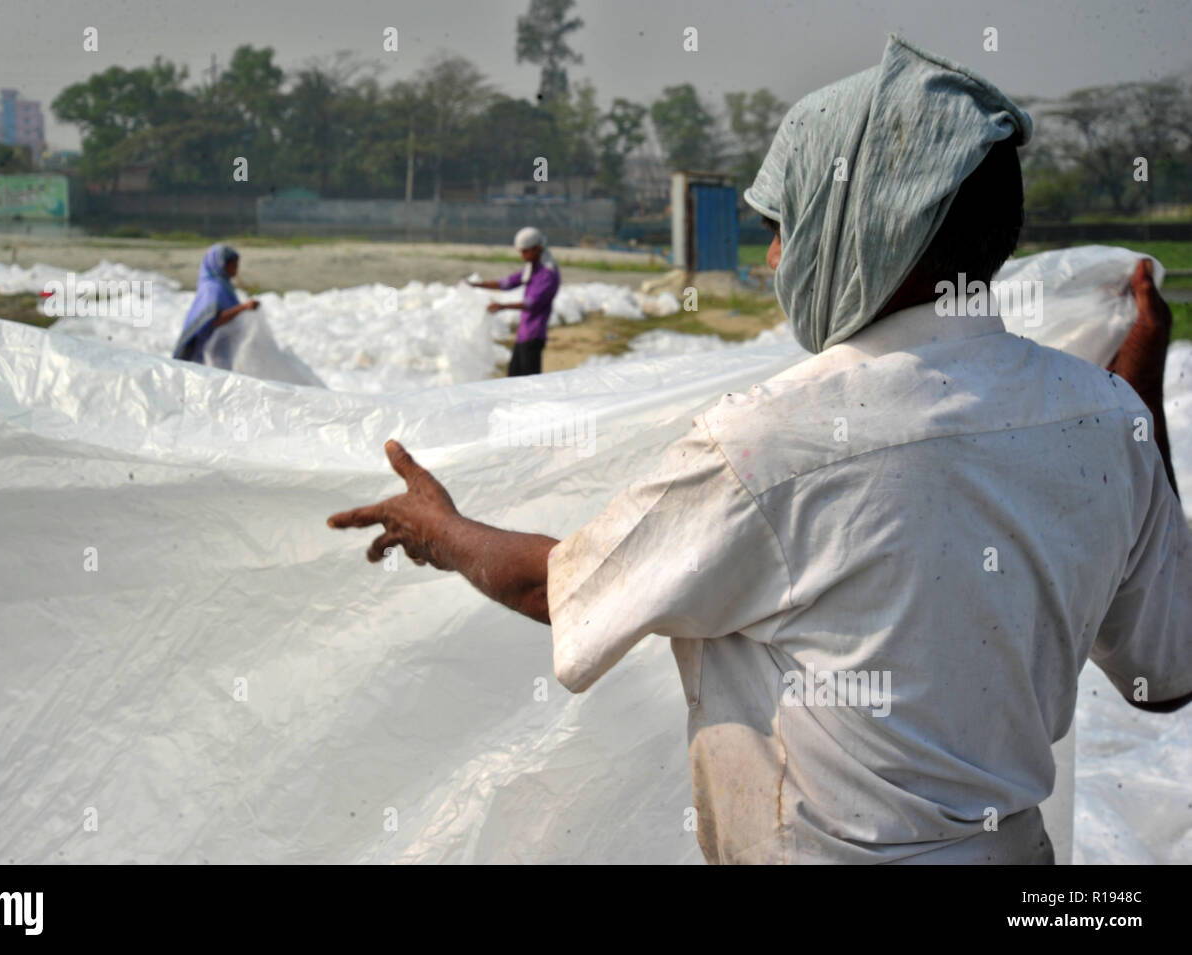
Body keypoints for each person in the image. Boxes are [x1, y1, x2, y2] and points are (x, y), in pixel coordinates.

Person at [328, 35, 1191, 864]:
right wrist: (1138, 389)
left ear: (870, 224)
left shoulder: (772, 439)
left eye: (791, 222)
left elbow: (564, 588)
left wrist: (442, 530)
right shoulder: (1108, 421)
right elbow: (1166, 673)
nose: (776, 255)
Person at [469, 227, 560, 376]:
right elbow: (507, 283)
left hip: (533, 334)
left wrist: (502, 306)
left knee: (529, 381)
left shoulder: (547, 275)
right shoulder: (533, 268)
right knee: (513, 379)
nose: (521, 255)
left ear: (536, 249)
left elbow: (531, 303)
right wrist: (476, 285)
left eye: (524, 251)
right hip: (523, 334)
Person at [172, 244, 260, 364]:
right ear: (221, 264)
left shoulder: (224, 285)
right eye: (233, 264)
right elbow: (214, 320)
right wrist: (243, 308)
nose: (236, 268)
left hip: (221, 350)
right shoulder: (212, 288)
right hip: (209, 352)